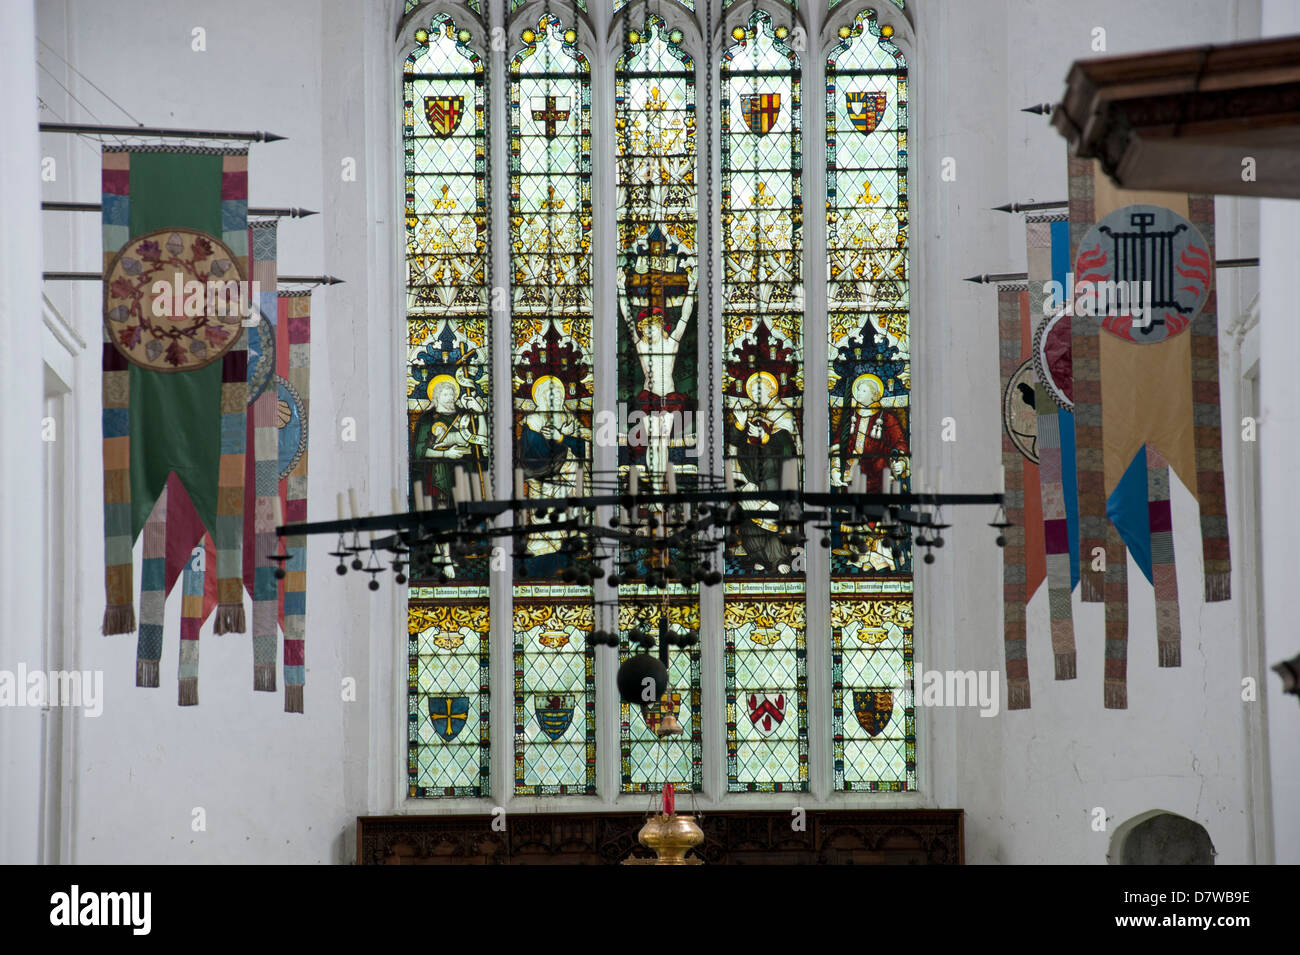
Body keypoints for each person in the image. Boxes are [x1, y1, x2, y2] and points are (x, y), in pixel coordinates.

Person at [617, 266, 696, 493]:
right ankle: (654, 486)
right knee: (653, 441)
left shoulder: (672, 342)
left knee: (661, 442)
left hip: (669, 397)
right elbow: (627, 316)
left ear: (661, 326)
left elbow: (685, 315)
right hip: (649, 397)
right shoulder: (641, 346)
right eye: (644, 329)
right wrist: (621, 288)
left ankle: (660, 487)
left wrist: (692, 287)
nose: (647, 332)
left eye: (651, 327)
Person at [728, 370, 801, 573]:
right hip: (749, 476)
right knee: (750, 519)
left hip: (775, 479)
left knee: (776, 516)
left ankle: (780, 559)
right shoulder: (749, 413)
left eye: (760, 389)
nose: (756, 393)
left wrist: (768, 438)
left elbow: (790, 449)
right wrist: (740, 423)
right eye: (752, 390)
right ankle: (756, 556)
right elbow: (734, 444)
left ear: (772, 390)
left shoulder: (783, 414)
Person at [517, 375, 589, 569]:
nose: (555, 398)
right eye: (550, 394)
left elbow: (585, 447)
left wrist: (561, 437)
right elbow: (529, 453)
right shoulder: (532, 420)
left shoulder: (570, 419)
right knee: (544, 514)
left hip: (568, 475)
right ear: (539, 398)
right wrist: (555, 441)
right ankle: (545, 544)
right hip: (541, 477)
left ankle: (574, 536)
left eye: (558, 394)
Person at [831, 373, 909, 492]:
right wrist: (835, 470)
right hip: (852, 474)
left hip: (880, 474)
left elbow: (900, 444)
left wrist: (901, 464)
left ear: (874, 395)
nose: (858, 393)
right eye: (858, 390)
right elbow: (838, 445)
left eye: (863, 390)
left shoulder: (887, 418)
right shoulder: (849, 417)